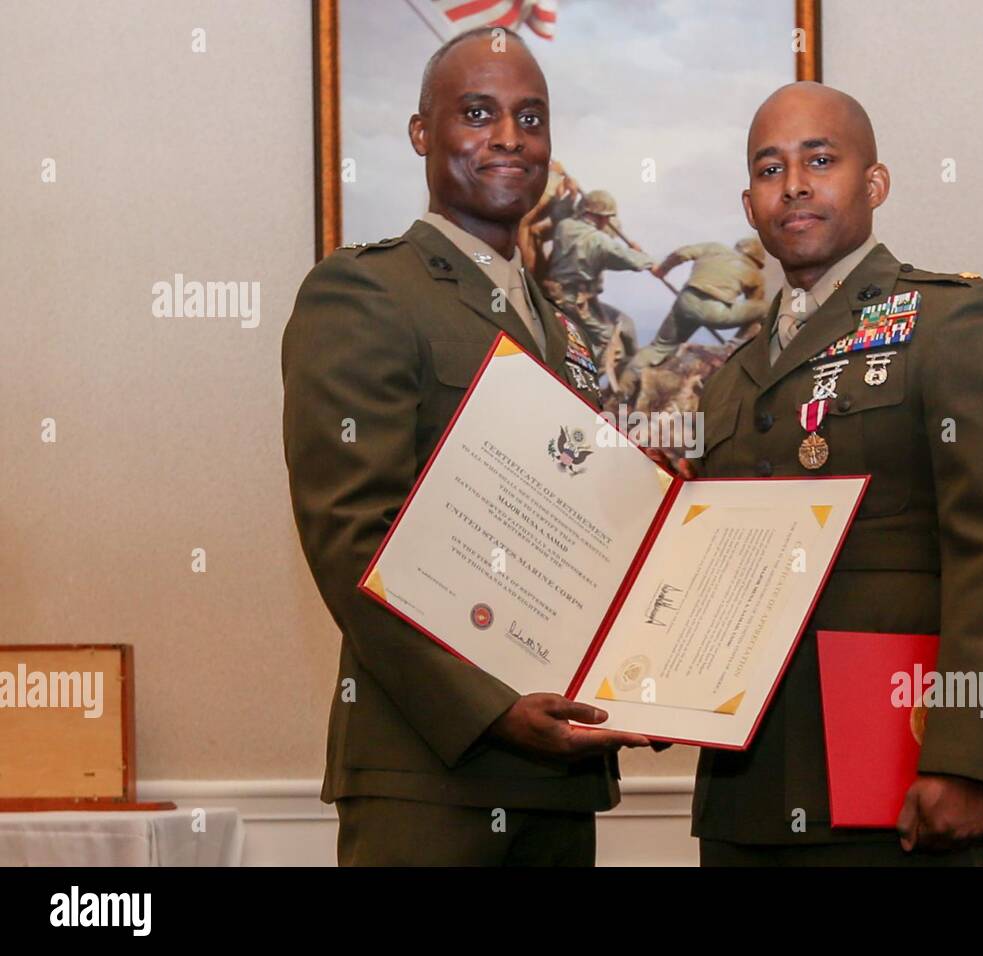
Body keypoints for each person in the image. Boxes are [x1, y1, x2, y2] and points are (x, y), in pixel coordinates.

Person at [281, 27, 648, 867]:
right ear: (422, 133)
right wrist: (489, 707)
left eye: (531, 117)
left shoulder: (558, 327)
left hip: (558, 770)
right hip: (430, 773)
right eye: (478, 113)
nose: (509, 138)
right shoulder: (367, 289)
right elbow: (351, 534)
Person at [683, 82, 983, 866]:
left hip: (894, 787)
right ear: (749, 205)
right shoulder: (728, 379)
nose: (794, 184)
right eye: (769, 169)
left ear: (874, 184)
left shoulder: (953, 322)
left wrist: (968, 760)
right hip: (744, 799)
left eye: (820, 159)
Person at [616, 238, 769, 401]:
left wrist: (661, 270)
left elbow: (680, 253)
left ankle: (622, 391)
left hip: (686, 301)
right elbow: (753, 304)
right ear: (757, 260)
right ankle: (736, 346)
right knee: (764, 307)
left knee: (659, 347)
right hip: (716, 312)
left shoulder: (714, 248)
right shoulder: (755, 273)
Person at [543, 189, 653, 378]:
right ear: (599, 217)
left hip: (569, 296)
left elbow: (559, 213)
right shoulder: (599, 241)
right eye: (607, 218)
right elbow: (635, 262)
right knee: (610, 342)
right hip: (574, 302)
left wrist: (569, 195)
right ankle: (591, 383)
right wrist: (641, 254)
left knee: (625, 323)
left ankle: (633, 372)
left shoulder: (565, 226)